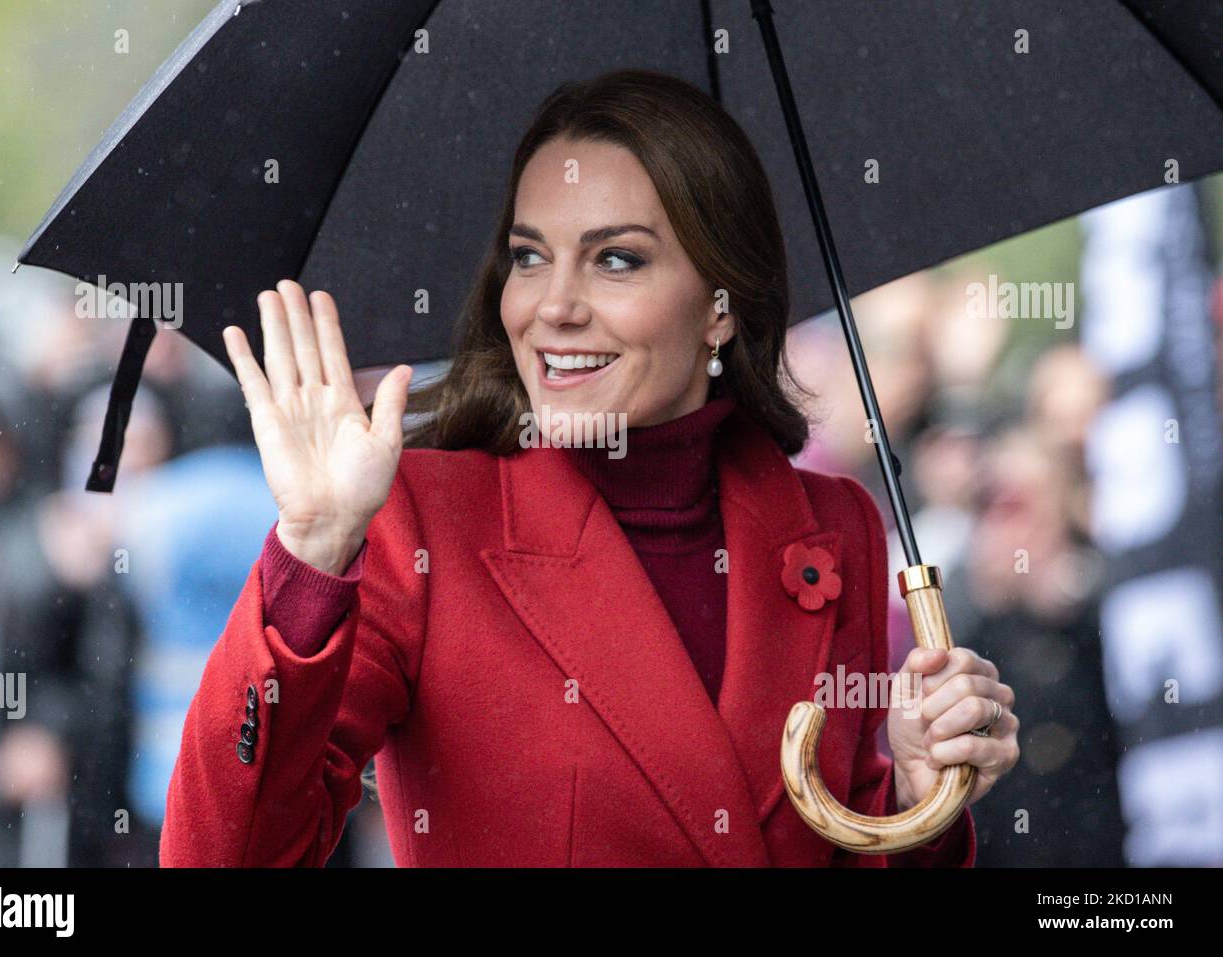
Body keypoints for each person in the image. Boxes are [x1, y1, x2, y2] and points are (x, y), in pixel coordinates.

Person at [160, 69, 1018, 868]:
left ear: (721, 307)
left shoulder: (837, 529)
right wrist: (311, 552)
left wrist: (916, 798)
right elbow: (224, 855)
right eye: (529, 256)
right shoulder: (418, 523)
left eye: (616, 259)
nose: (553, 306)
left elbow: (840, 833)